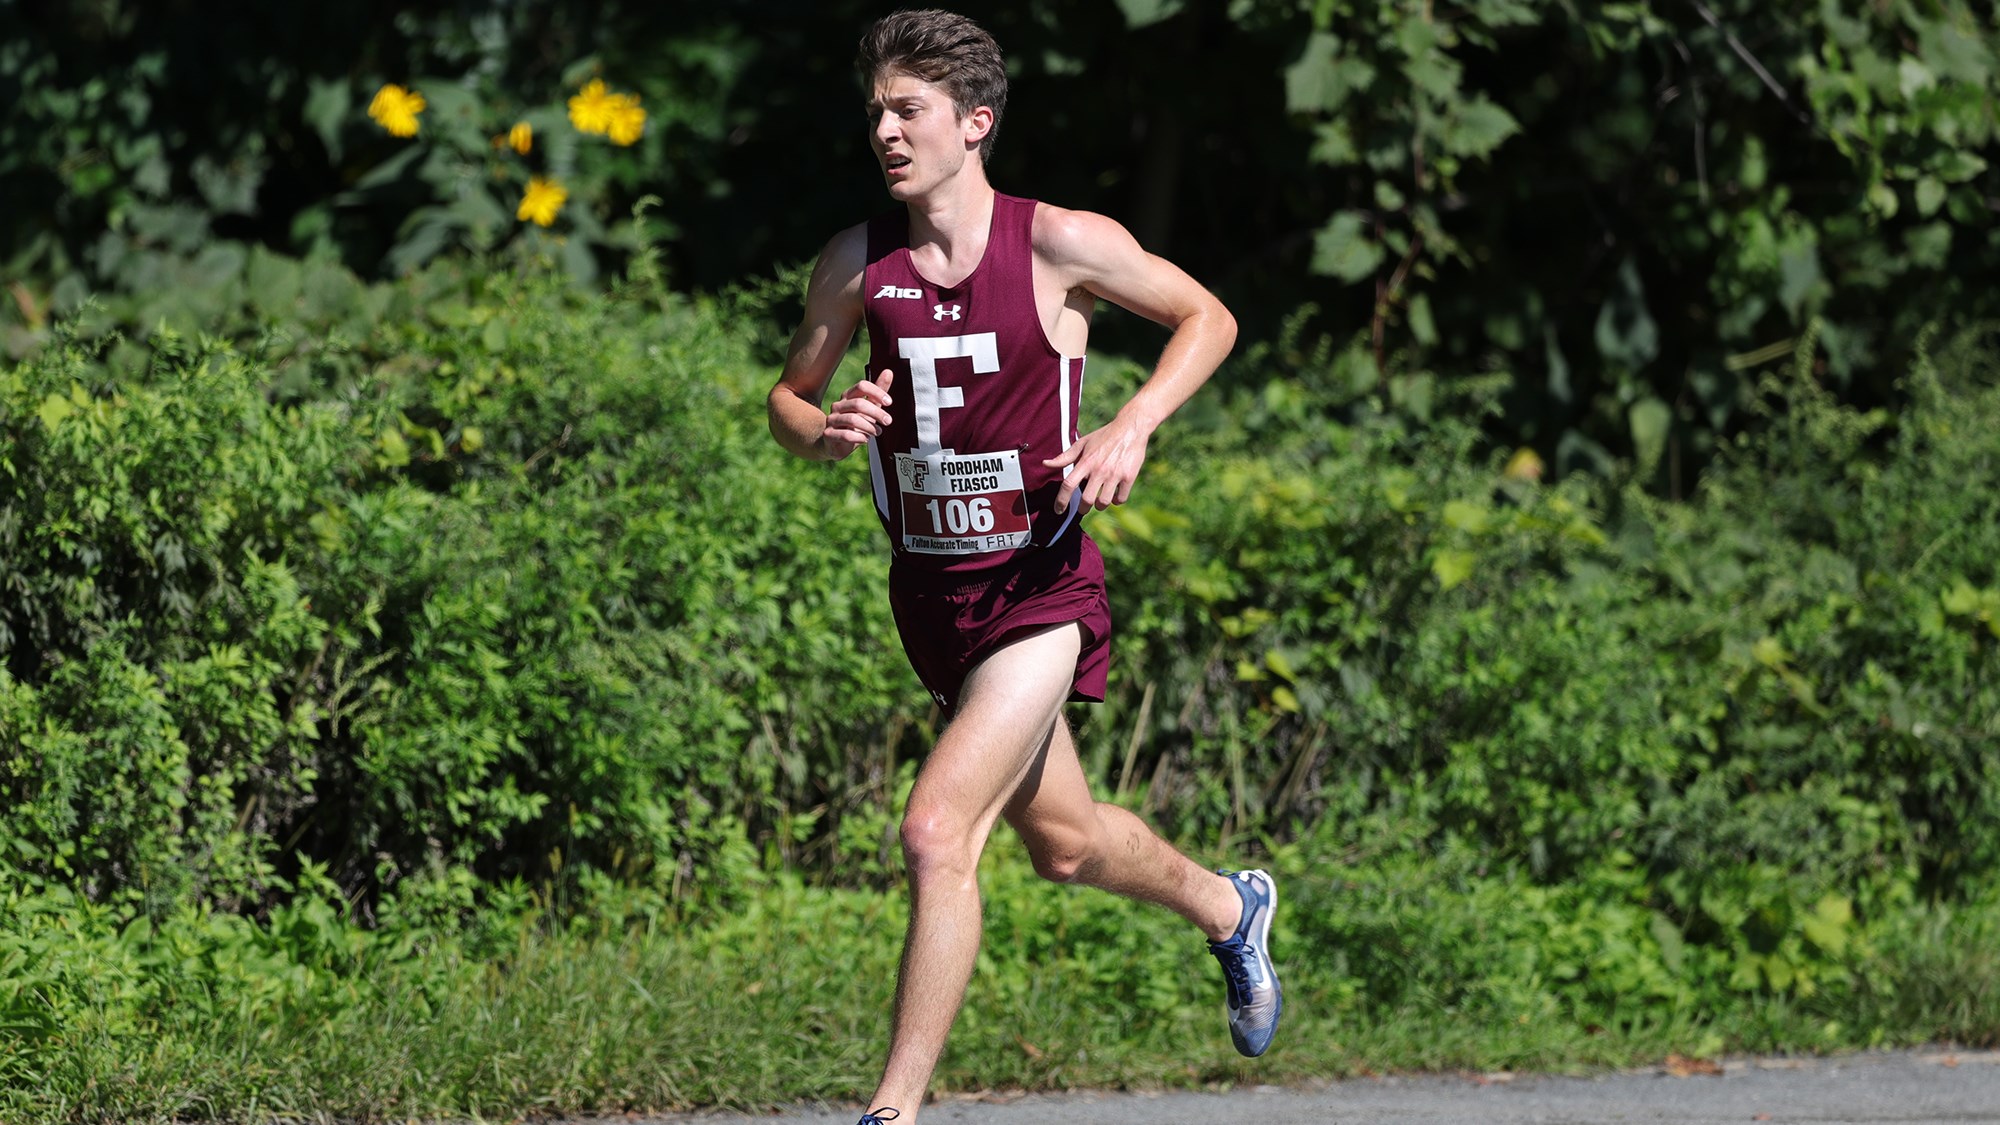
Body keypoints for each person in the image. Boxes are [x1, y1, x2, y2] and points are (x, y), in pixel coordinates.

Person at [766, 11, 1282, 1123]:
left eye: (908, 111)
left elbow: (1207, 317)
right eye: (875, 113)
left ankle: (890, 1112)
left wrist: (1133, 424)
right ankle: (1228, 909)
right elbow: (788, 400)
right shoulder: (858, 262)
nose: (885, 132)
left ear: (974, 122)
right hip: (930, 596)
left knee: (935, 830)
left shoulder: (1058, 243)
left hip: (1038, 587)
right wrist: (825, 427)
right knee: (1065, 845)